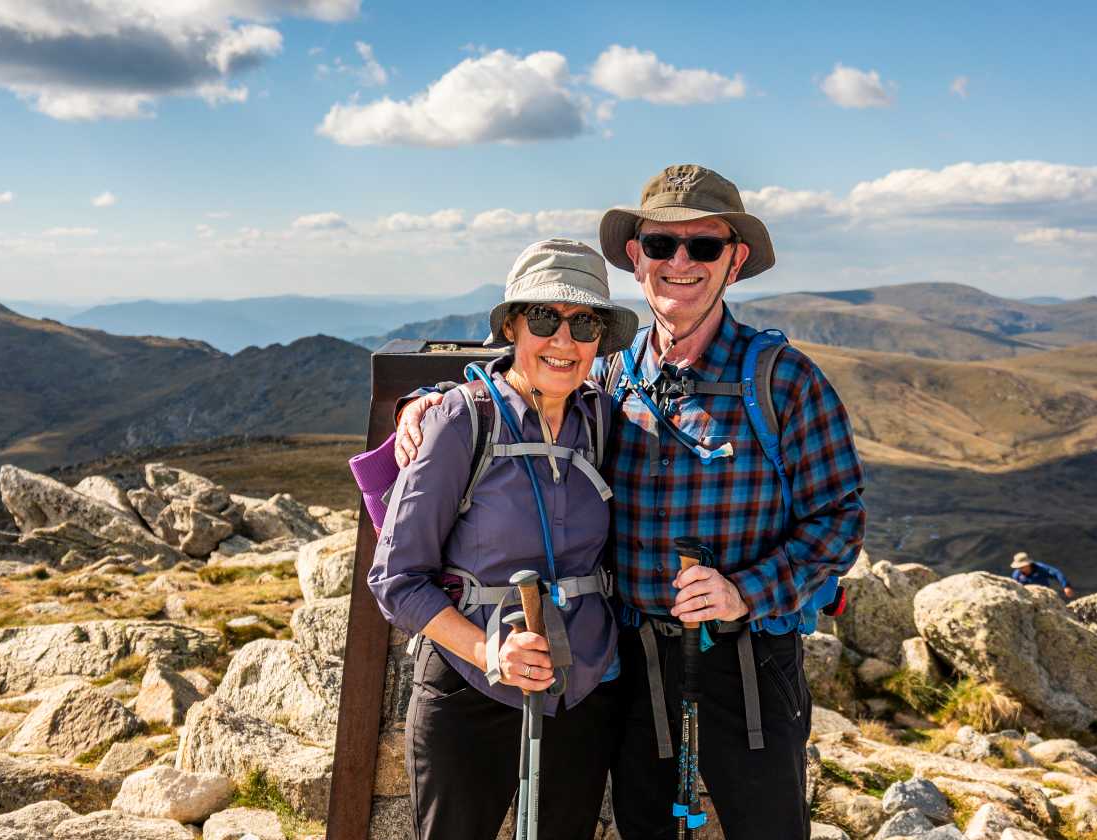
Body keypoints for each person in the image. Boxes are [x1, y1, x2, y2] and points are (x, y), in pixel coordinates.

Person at [396, 165, 867, 839]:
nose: (680, 262)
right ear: (635, 259)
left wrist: (746, 591)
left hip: (748, 660)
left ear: (734, 262)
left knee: (767, 827)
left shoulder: (784, 380)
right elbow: (528, 370)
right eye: (660, 246)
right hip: (632, 664)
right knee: (646, 827)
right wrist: (431, 401)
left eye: (703, 247)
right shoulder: (612, 372)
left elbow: (841, 518)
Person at [368, 238, 639, 840]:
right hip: (470, 690)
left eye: (585, 323)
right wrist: (491, 653)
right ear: (512, 326)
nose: (564, 340)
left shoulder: (600, 417)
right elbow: (396, 580)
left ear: (601, 339)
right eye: (544, 318)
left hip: (580, 689)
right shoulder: (460, 420)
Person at [1009, 552, 1074, 599]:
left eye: (1022, 567)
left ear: (1028, 564)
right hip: (1028, 597)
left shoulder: (1040, 568)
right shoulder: (1017, 575)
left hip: (1045, 595)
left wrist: (1066, 586)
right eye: (1019, 567)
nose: (1020, 569)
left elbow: (1056, 573)